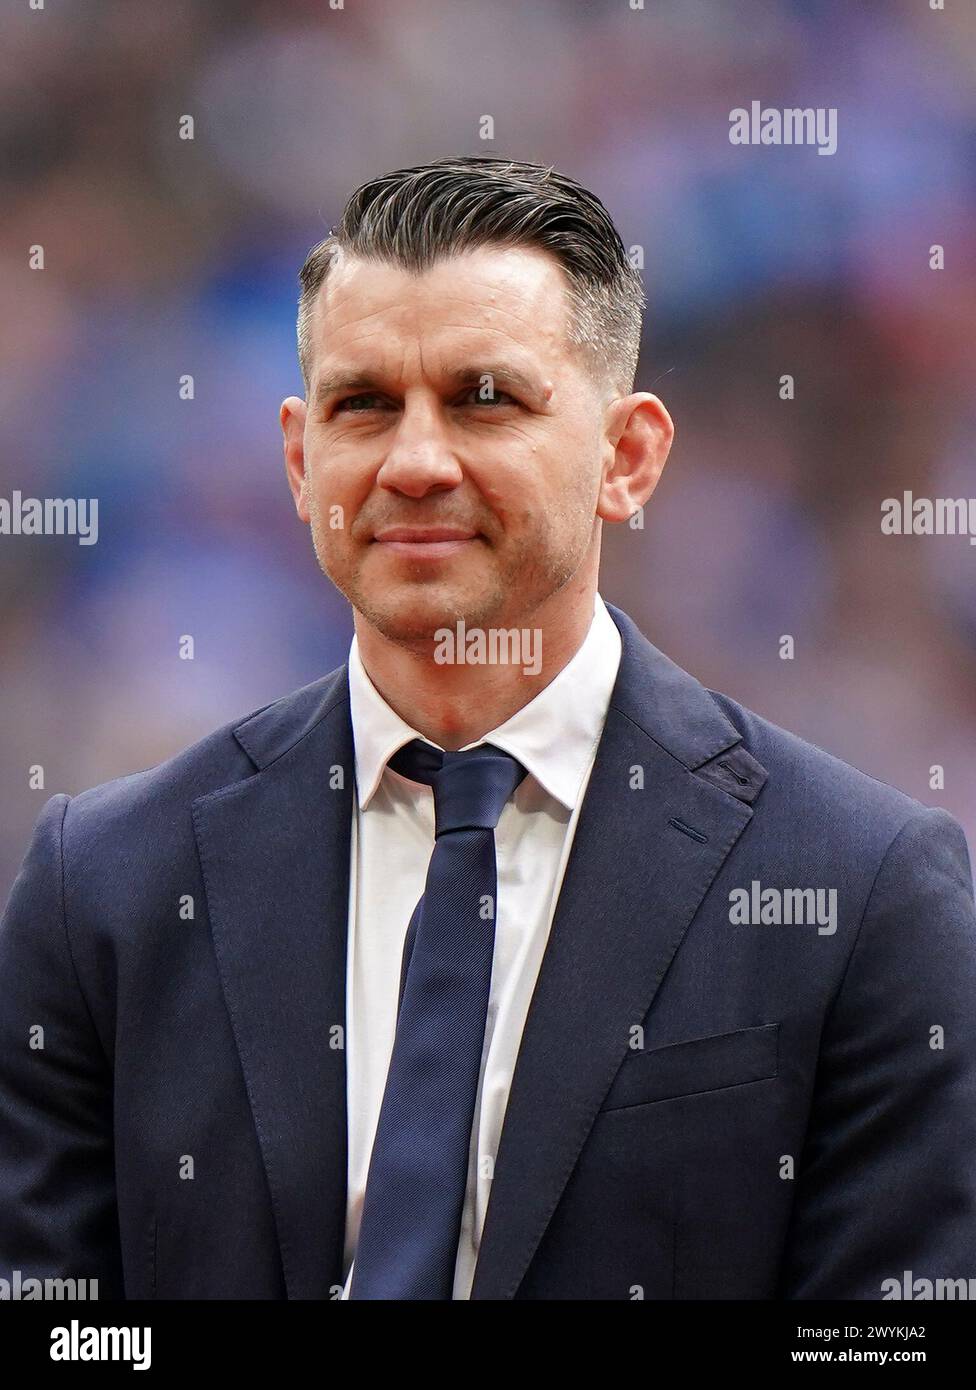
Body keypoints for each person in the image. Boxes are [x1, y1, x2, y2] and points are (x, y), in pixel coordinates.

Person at [2, 156, 975, 1301]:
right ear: (300, 456)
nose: (413, 463)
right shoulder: (105, 887)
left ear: (627, 457)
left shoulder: (860, 892)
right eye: (362, 404)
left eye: (484, 399)